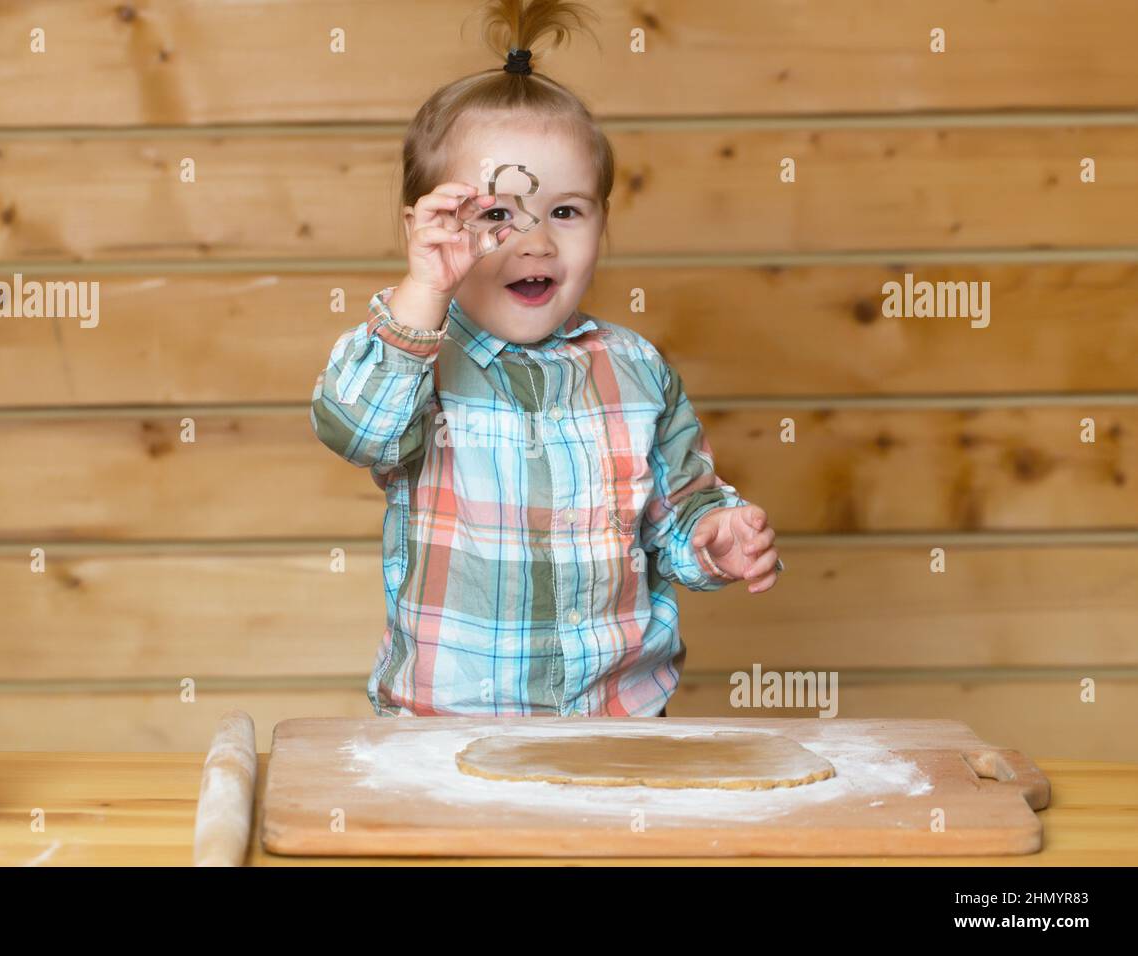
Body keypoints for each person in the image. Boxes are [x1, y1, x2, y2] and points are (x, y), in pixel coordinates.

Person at [310, 0, 783, 718]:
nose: (535, 243)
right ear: (425, 232)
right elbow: (356, 427)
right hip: (444, 732)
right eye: (497, 215)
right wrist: (422, 290)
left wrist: (715, 539)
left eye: (566, 212)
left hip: (616, 726)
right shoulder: (415, 356)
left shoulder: (635, 369)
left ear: (601, 222)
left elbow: (679, 510)